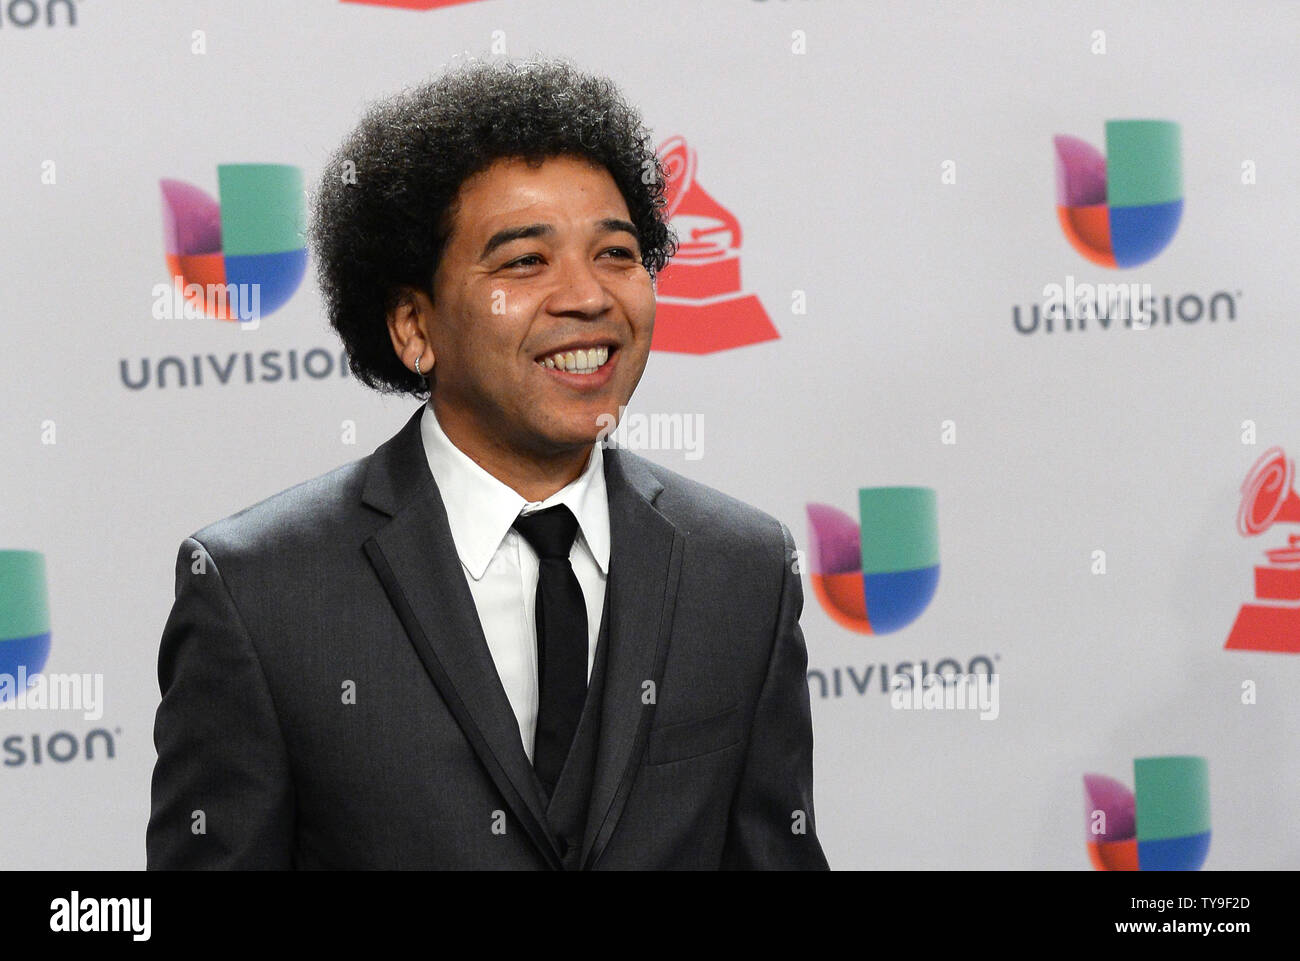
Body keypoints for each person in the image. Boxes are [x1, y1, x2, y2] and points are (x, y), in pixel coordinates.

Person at [146, 57, 828, 870]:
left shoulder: (743, 569)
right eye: (525, 262)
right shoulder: (259, 593)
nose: (588, 296)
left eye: (616, 252)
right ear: (414, 326)